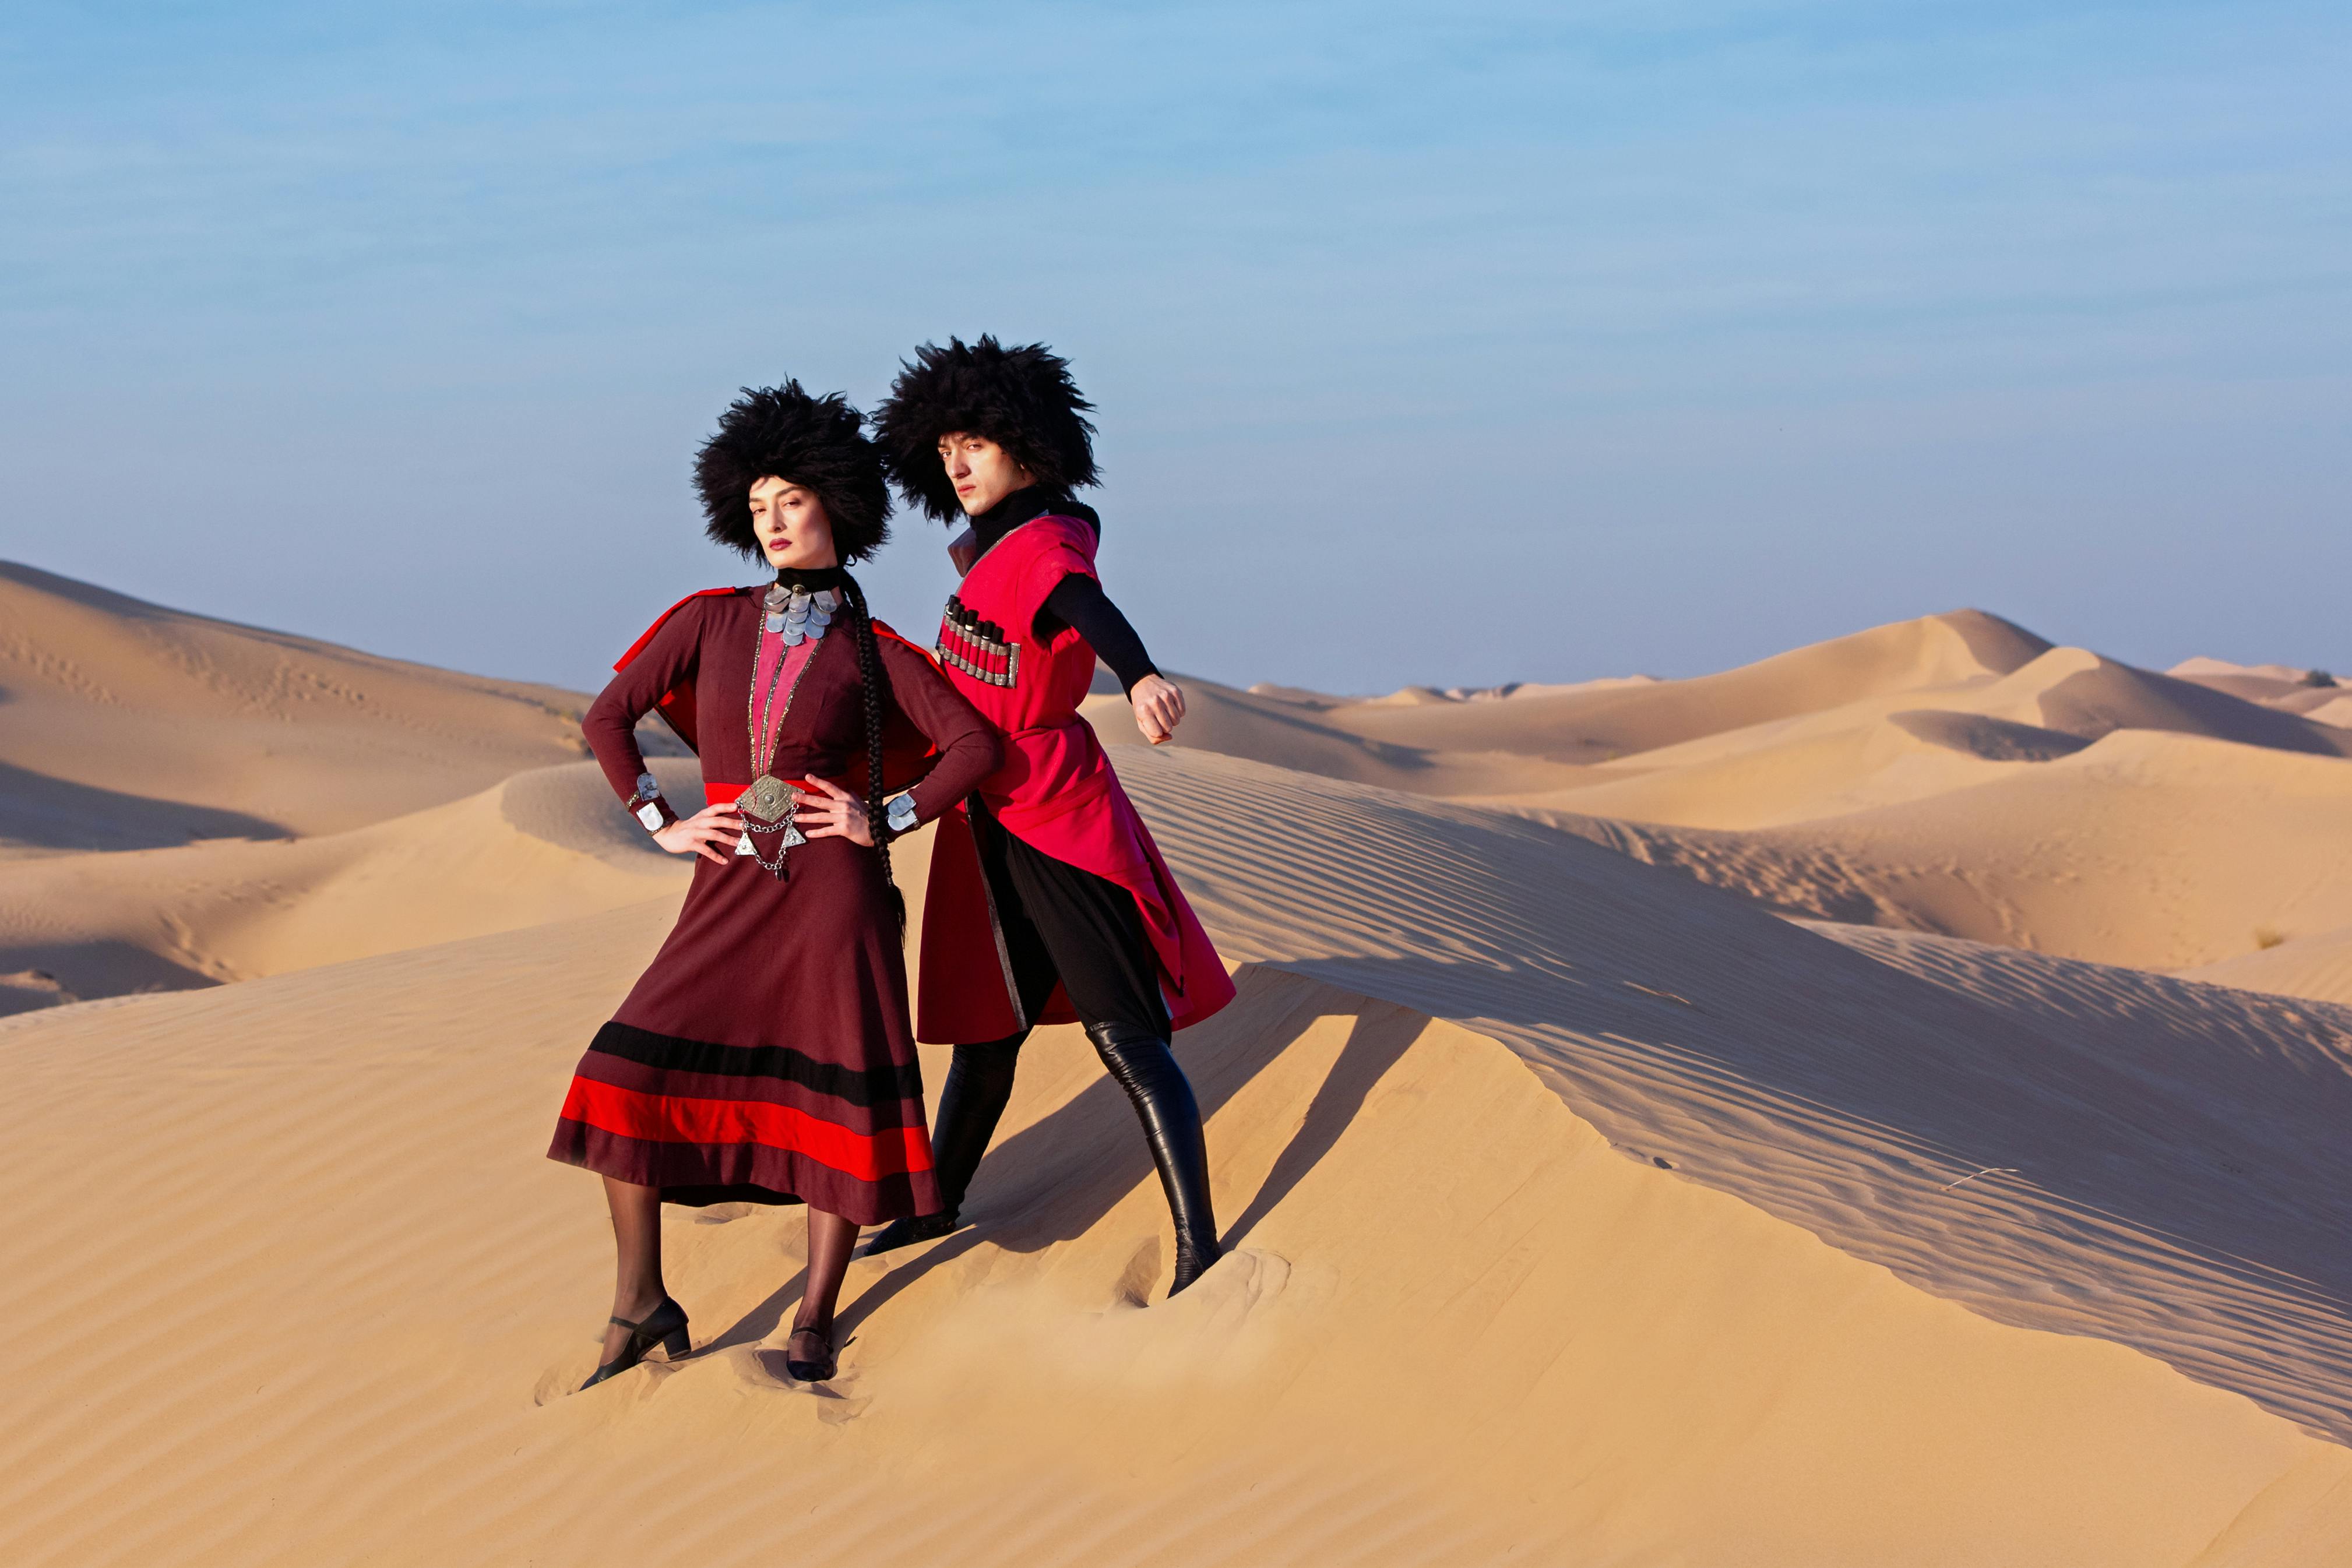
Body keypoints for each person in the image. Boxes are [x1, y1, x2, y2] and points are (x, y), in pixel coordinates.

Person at [547, 382, 999, 1389]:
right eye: (757, 508)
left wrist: (882, 816)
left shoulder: (877, 648)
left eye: (790, 500)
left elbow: (975, 743)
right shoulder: (706, 620)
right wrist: (663, 824)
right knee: (623, 1078)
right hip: (726, 886)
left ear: (836, 502)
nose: (773, 522)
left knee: (831, 1107)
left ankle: (813, 1315)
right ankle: (640, 1297)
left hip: (832, 894)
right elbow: (607, 718)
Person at [865, 336, 1237, 1297]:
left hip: (1051, 807)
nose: (957, 461)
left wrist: (1141, 670)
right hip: (982, 812)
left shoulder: (1044, 545)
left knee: (1127, 1038)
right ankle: (934, 1206)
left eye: (977, 442)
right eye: (945, 445)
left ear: (1028, 451)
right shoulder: (984, 551)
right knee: (988, 1033)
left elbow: (1084, 605)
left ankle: (1199, 1241)